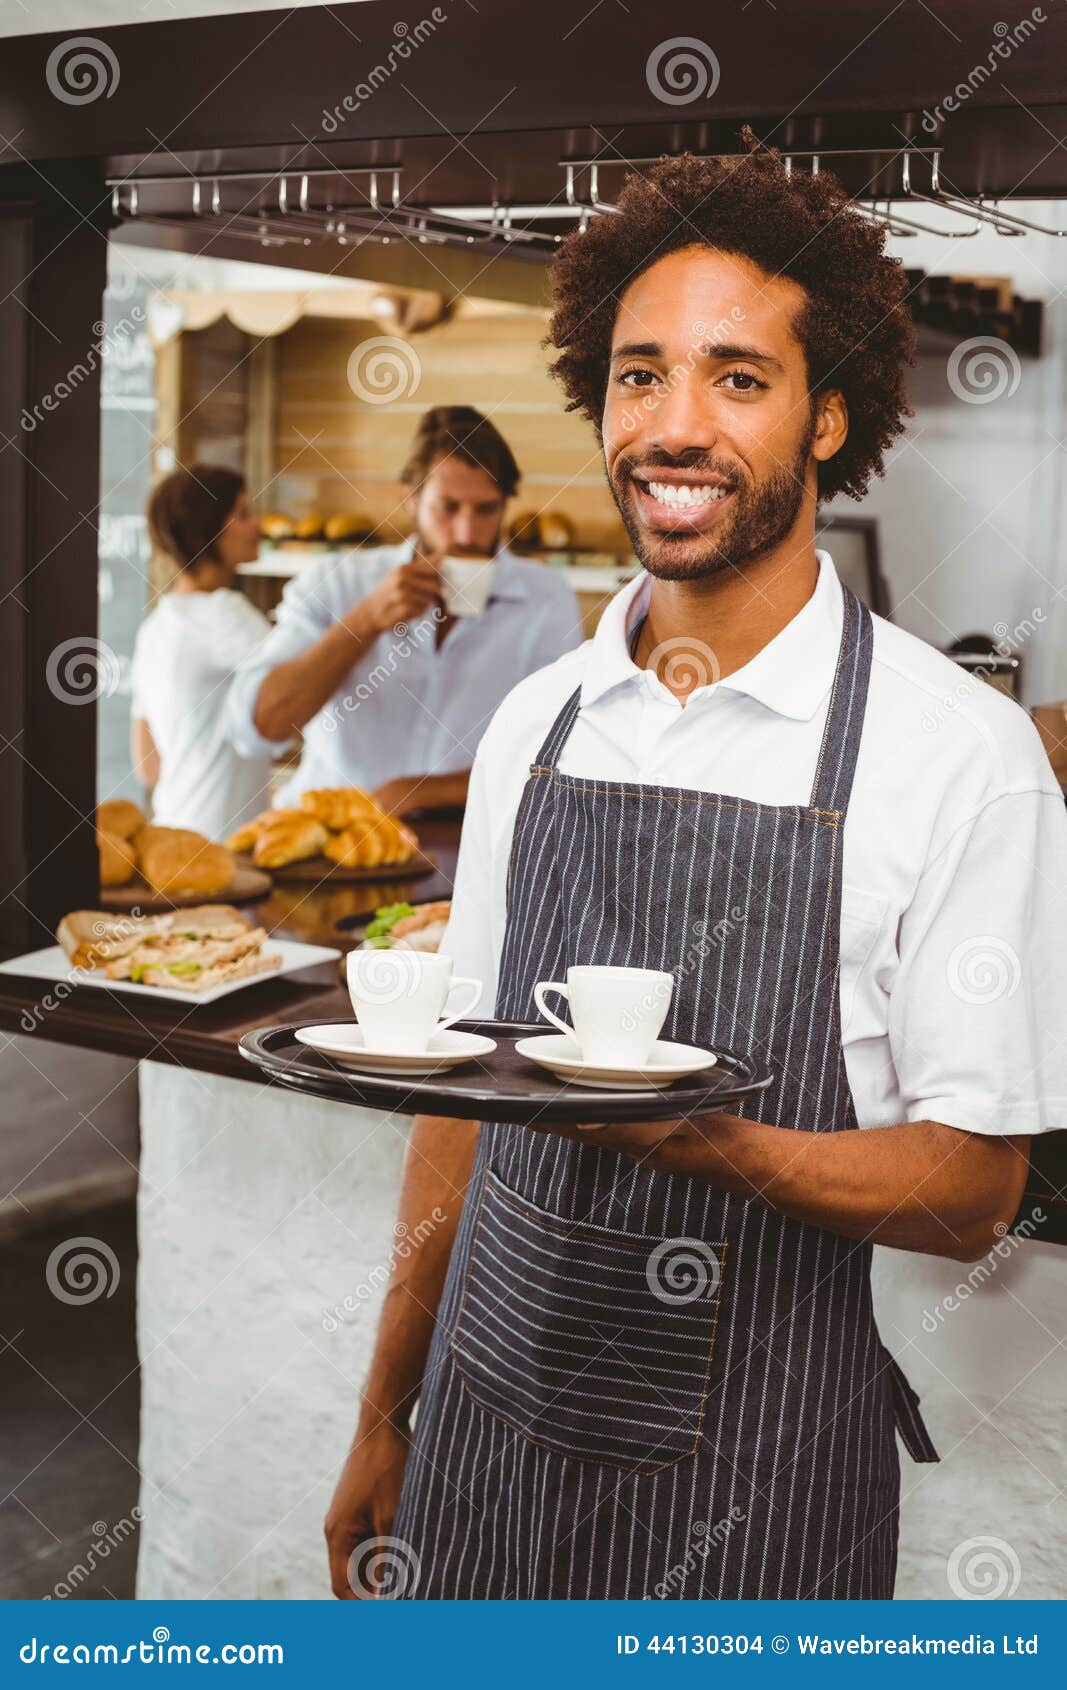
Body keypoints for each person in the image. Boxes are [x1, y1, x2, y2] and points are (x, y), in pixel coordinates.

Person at [324, 140, 1067, 1600]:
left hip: (760, 1481)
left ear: (829, 411)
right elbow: (461, 1108)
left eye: (735, 377)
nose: (673, 425)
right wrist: (381, 1405)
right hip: (482, 1432)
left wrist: (717, 1145)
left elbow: (972, 1184)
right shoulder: (533, 723)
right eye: (637, 374)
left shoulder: (957, 756)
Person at [226, 407, 582, 816]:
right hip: (328, 857)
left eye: (485, 510)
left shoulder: (544, 599)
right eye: (448, 507)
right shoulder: (340, 582)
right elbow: (257, 729)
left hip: (460, 861)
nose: (466, 532)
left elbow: (559, 757)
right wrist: (366, 620)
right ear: (410, 499)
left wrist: (423, 793)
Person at [131, 466, 273, 840]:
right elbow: (302, 683)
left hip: (171, 835)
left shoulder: (156, 626)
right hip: (225, 843)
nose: (256, 524)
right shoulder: (224, 612)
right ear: (209, 528)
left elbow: (147, 764)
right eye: (242, 513)